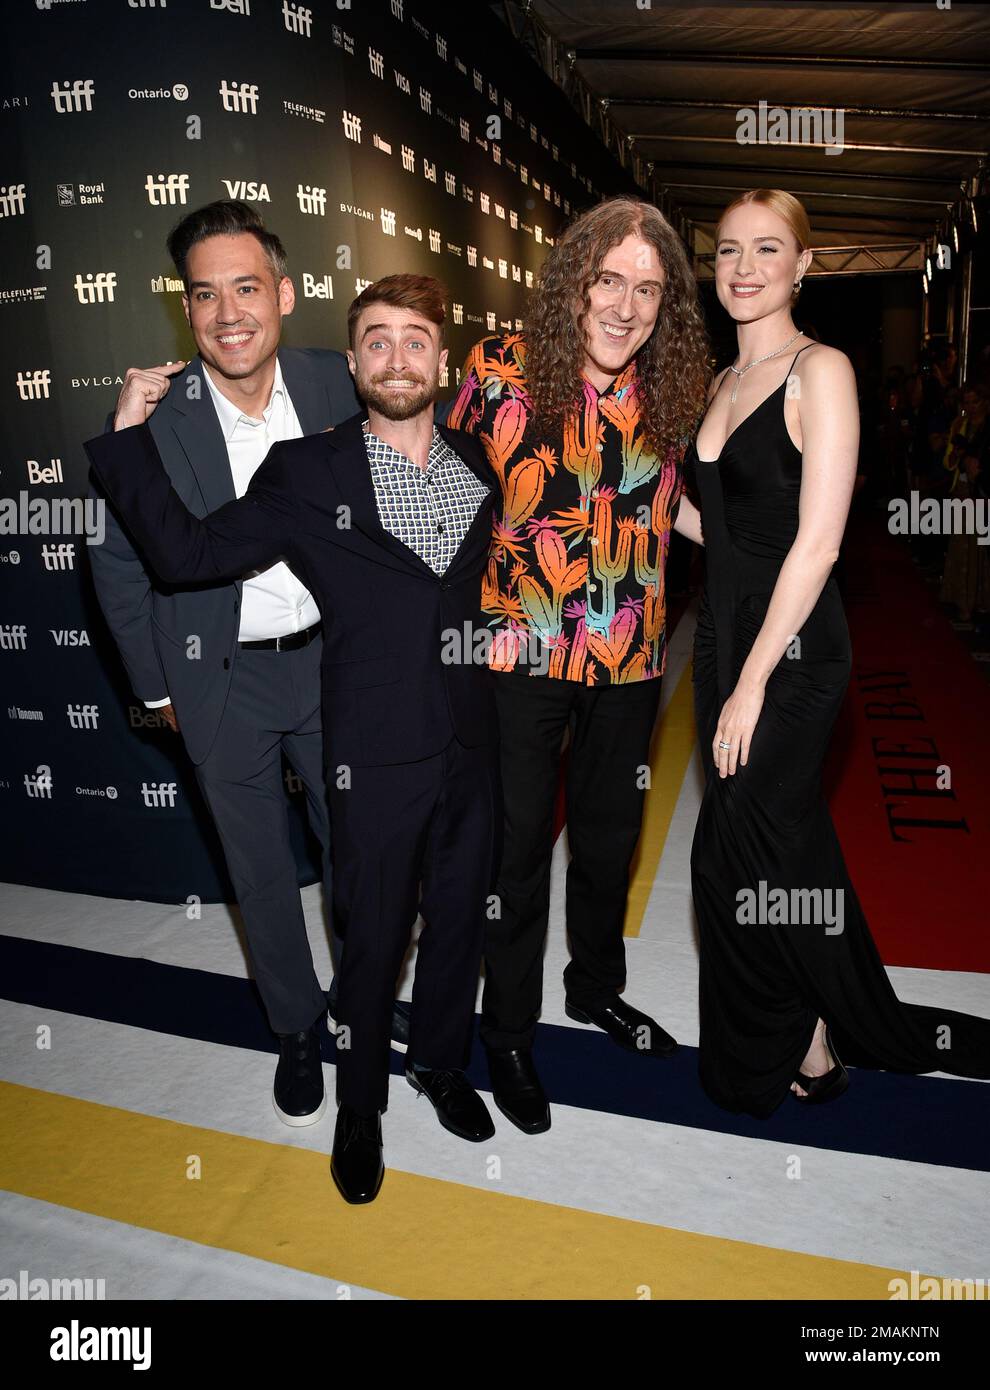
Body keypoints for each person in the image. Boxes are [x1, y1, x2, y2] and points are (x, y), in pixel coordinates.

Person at [85, 274, 500, 1204]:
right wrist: (124, 440)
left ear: (444, 360)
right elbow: (186, 556)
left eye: (417, 339)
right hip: (371, 749)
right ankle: (360, 1109)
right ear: (352, 363)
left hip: (473, 745)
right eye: (379, 341)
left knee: (461, 920)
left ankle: (438, 1062)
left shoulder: (478, 462)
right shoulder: (306, 475)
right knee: (371, 932)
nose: (399, 357)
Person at [673, 188, 990, 1117]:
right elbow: (724, 533)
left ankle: (790, 1040)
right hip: (727, 644)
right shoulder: (720, 386)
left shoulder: (825, 372)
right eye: (728, 250)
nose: (743, 267)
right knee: (774, 854)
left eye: (767, 249)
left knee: (736, 856)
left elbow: (816, 545)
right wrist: (642, 509)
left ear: (803, 265)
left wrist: (754, 683)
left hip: (794, 654)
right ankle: (813, 1040)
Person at [88, 200, 383, 1135]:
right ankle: (298, 1030)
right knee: (258, 871)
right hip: (223, 682)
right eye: (204, 295)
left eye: (246, 288)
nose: (227, 315)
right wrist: (158, 687)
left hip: (337, 666)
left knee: (362, 850)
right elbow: (117, 559)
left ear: (285, 294)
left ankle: (368, 996)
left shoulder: (339, 384)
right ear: (188, 309)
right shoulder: (154, 420)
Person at [446, 196, 710, 1132]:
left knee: (607, 840)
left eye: (648, 288)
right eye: (609, 279)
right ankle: (508, 1035)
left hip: (632, 655)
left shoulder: (679, 389)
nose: (626, 305)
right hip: (520, 650)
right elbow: (437, 484)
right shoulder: (498, 371)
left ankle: (595, 986)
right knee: (515, 852)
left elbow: (682, 506)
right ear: (574, 283)